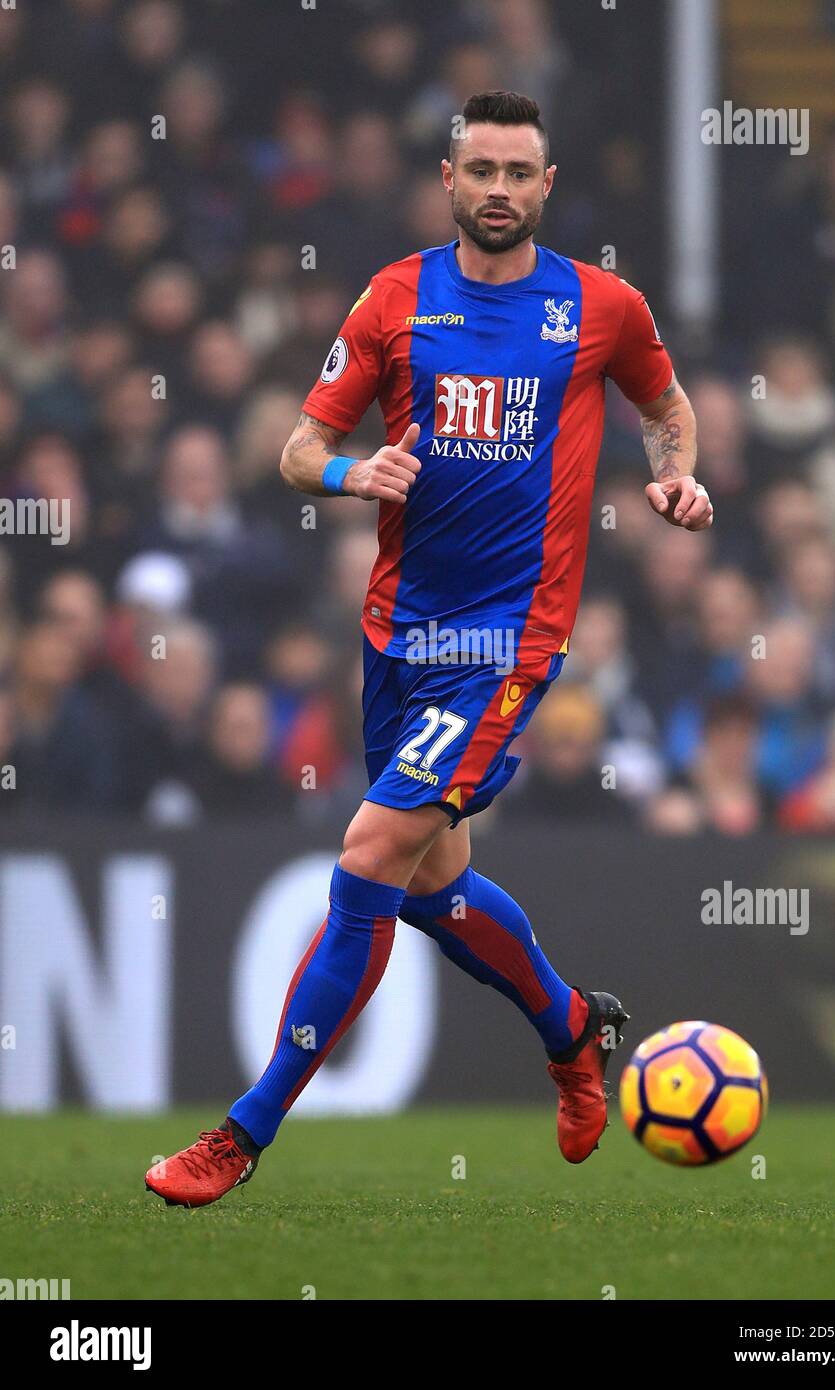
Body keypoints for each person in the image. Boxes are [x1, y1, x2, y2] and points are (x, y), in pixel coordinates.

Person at [146, 90, 712, 1208]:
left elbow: (666, 403)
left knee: (366, 857)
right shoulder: (394, 298)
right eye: (481, 169)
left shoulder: (601, 307)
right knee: (431, 882)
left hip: (509, 639)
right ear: (448, 181)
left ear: (549, 187)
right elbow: (302, 450)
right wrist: (359, 474)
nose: (499, 188)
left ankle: (242, 1131)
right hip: (397, 635)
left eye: (520, 171)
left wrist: (677, 473)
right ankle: (569, 1025)